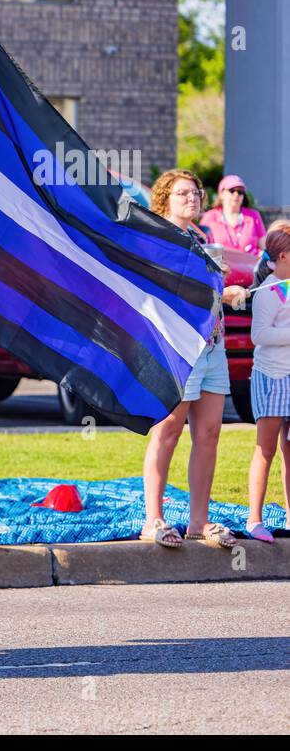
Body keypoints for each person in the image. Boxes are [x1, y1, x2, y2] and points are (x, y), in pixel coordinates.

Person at [140, 169, 243, 548]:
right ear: (165, 199)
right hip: (178, 348)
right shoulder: (158, 238)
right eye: (184, 193)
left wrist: (223, 290)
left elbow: (206, 294)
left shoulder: (202, 239)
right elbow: (162, 291)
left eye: (197, 193)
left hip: (213, 346)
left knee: (209, 433)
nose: (193, 198)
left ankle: (198, 522)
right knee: (167, 429)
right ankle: (153, 520)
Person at [245, 224, 290, 543]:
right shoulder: (269, 291)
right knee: (267, 449)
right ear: (285, 255)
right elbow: (258, 335)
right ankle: (254, 519)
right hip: (271, 378)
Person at [199, 174, 265, 255]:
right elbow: (201, 248)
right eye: (232, 190)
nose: (236, 194)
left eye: (240, 192)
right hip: (220, 267)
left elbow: (264, 248)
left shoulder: (253, 216)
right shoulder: (209, 217)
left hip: (250, 266)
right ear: (221, 194)